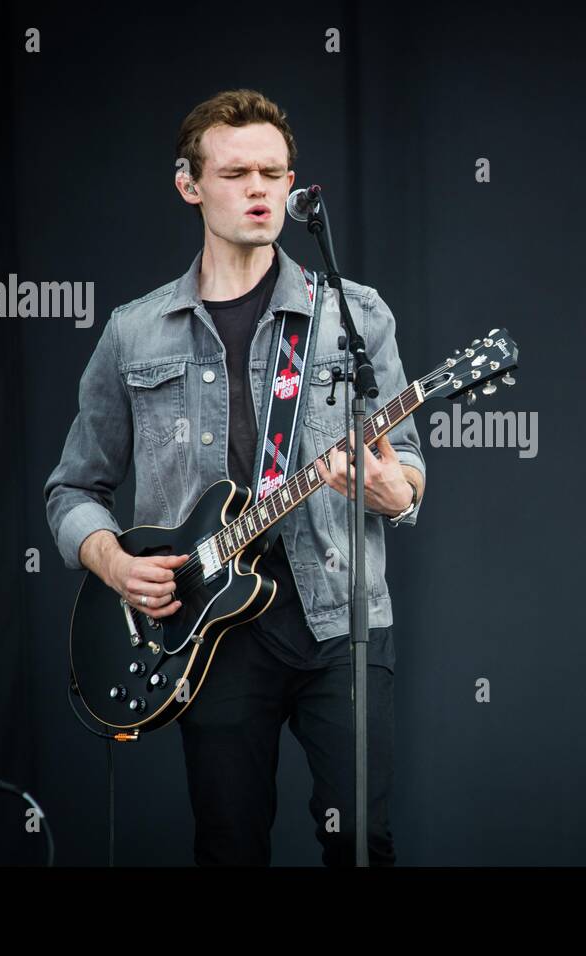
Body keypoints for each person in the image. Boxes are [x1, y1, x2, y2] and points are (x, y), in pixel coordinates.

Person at [44, 89, 425, 866]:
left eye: (275, 173)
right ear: (190, 185)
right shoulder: (135, 331)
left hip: (338, 616)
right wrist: (114, 563)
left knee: (360, 840)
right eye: (237, 172)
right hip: (207, 630)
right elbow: (72, 489)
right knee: (228, 846)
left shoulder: (351, 316)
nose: (260, 189)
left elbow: (407, 460)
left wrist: (401, 492)